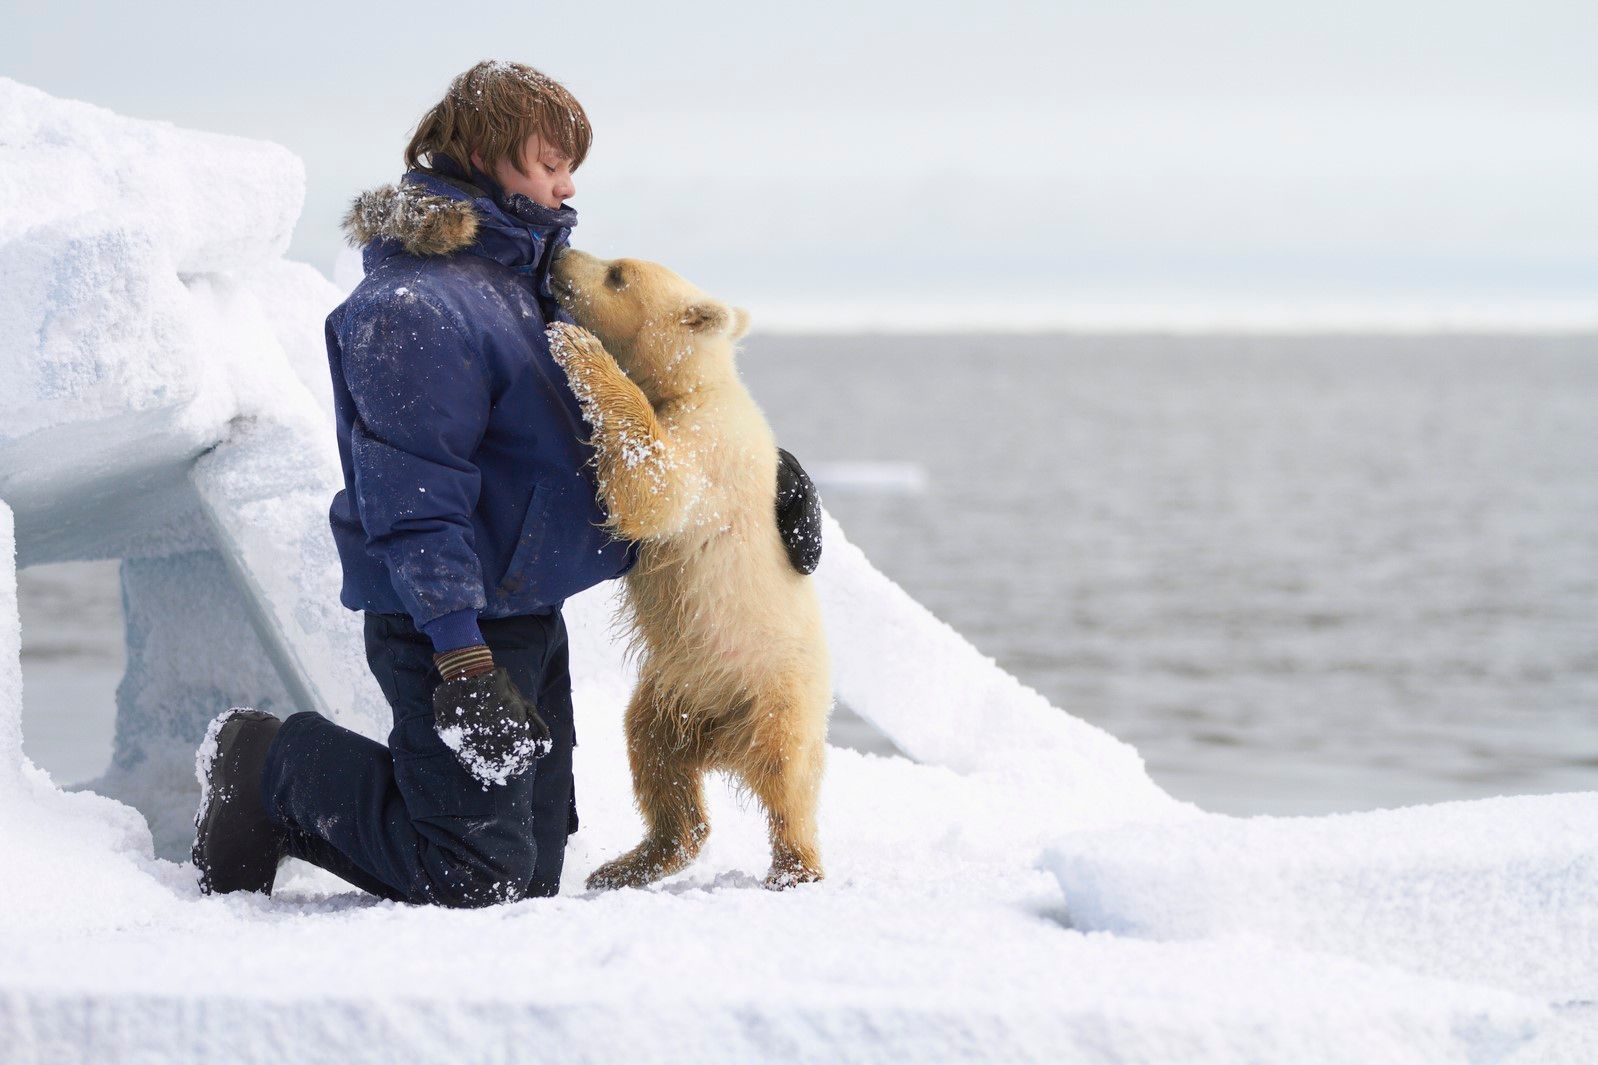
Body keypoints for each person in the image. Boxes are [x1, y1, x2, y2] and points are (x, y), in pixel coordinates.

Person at [191, 60, 822, 907]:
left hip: (525, 607)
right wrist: (460, 659)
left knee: (528, 875)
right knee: (472, 874)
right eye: (547, 162)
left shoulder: (526, 282)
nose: (565, 186)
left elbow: (628, 404)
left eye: (571, 167)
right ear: (482, 156)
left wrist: (762, 473)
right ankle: (269, 762)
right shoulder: (415, 309)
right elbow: (413, 500)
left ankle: (368, 809)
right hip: (446, 621)